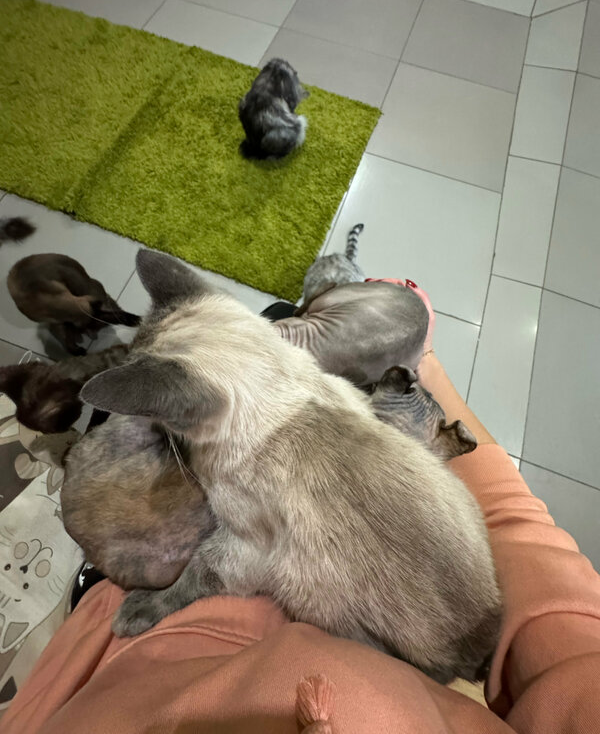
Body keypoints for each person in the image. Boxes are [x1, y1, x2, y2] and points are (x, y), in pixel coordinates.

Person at [4, 285, 600, 734]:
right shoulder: (320, 386)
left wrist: (166, 601)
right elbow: (549, 590)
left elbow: (238, 562)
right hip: (462, 611)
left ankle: (102, 591)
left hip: (396, 648)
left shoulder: (242, 464)